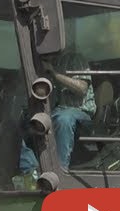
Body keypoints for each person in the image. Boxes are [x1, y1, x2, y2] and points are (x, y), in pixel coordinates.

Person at [16, 53, 95, 186]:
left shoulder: (75, 58)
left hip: (79, 113)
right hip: (52, 113)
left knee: (64, 119)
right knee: (24, 122)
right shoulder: (36, 62)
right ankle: (31, 174)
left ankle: (60, 173)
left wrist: (54, 74)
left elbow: (82, 88)